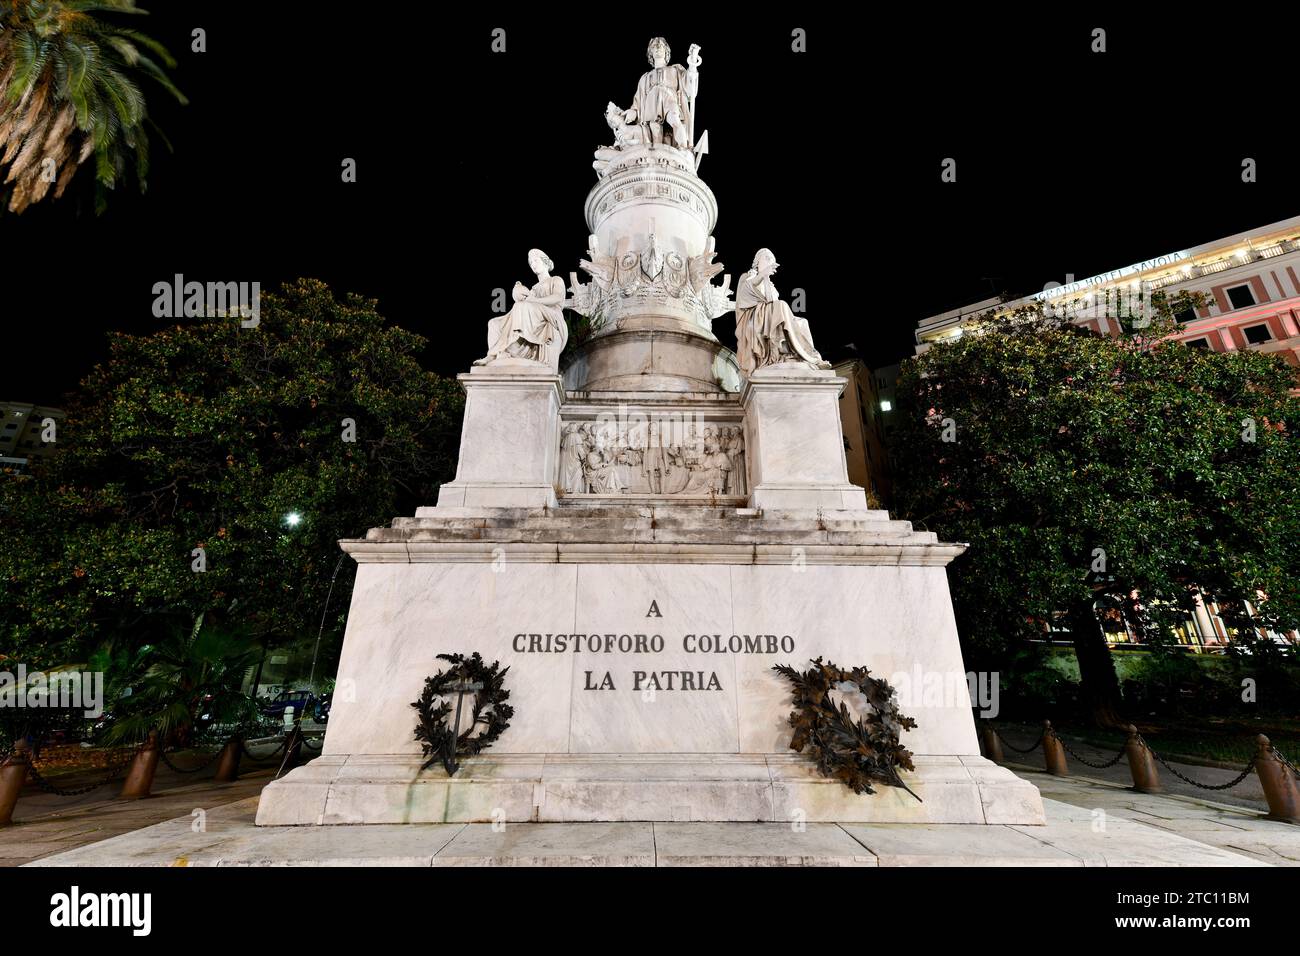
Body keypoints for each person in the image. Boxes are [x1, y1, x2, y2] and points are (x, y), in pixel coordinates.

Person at [477, 249, 568, 369]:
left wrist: (532, 300)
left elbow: (557, 297)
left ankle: (504, 346)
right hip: (534, 315)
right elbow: (525, 303)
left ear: (545, 262)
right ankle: (493, 355)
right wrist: (519, 292)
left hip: (551, 315)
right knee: (494, 323)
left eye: (536, 261)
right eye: (531, 263)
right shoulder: (533, 289)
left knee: (520, 306)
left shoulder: (556, 280)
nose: (533, 265)